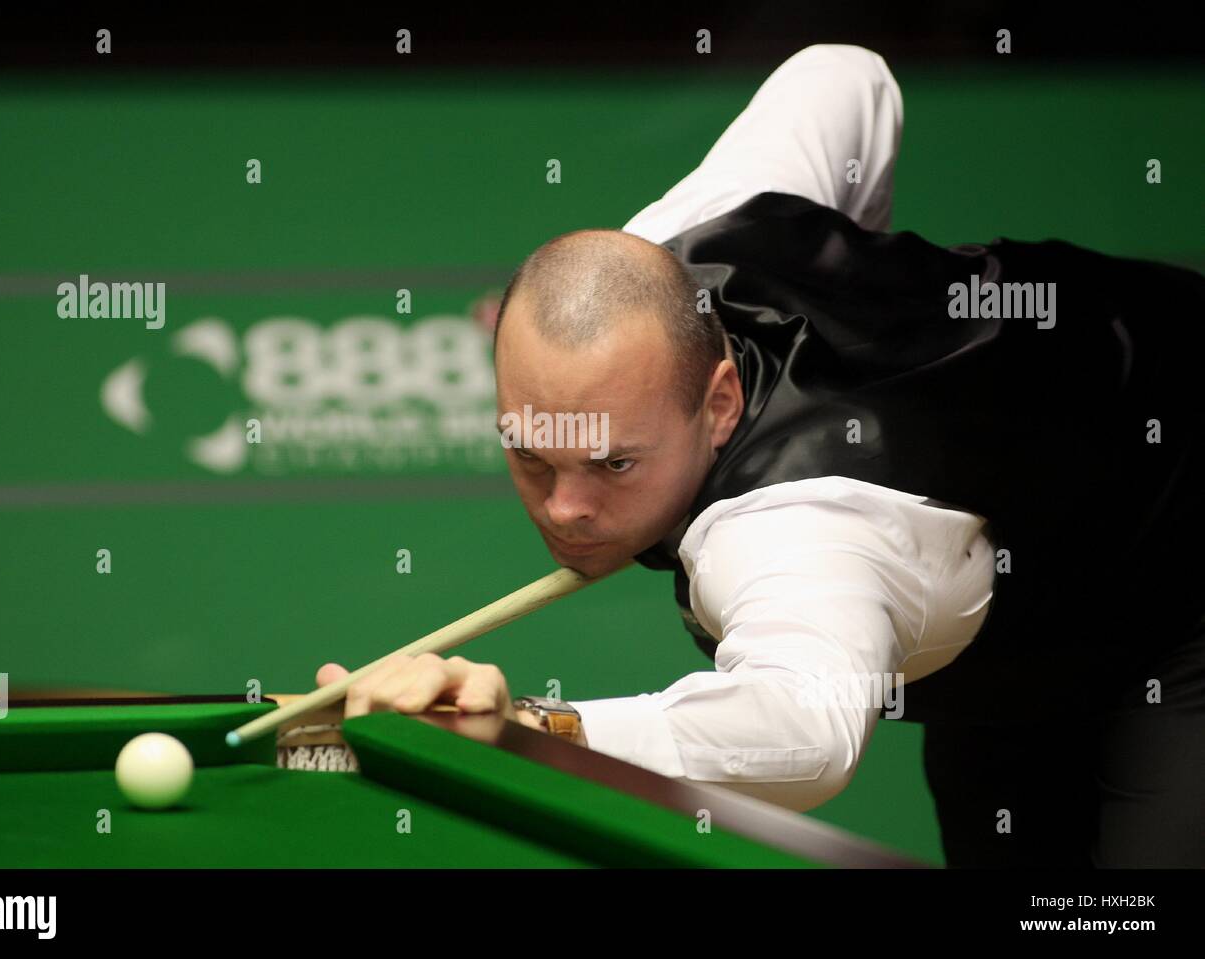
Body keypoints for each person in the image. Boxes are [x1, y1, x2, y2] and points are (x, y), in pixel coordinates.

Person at [318, 45, 1205, 867]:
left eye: (615, 464)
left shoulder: (802, 526)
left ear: (719, 401)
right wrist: (857, 280)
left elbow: (808, 731)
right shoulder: (695, 231)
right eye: (535, 457)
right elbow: (845, 74)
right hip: (1025, 597)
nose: (565, 509)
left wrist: (534, 726)